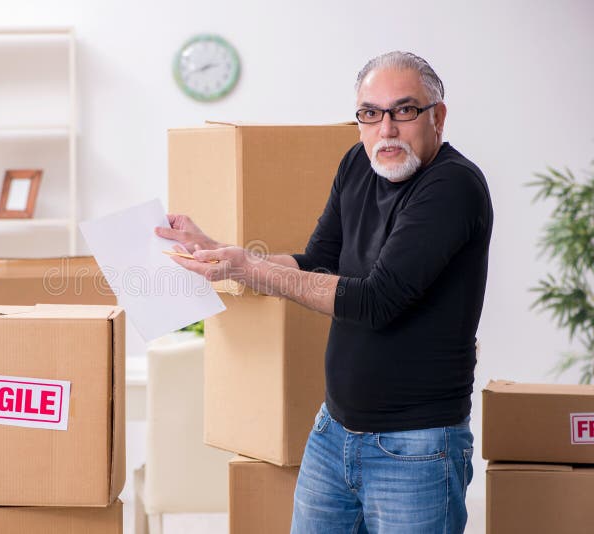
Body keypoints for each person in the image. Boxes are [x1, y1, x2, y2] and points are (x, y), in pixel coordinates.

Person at [156, 51, 492, 533]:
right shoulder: (358, 162)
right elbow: (317, 261)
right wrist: (216, 252)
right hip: (333, 432)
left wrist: (247, 266)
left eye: (404, 110)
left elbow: (376, 300)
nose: (387, 129)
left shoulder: (453, 187)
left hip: (415, 447)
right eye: (371, 114)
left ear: (437, 116)